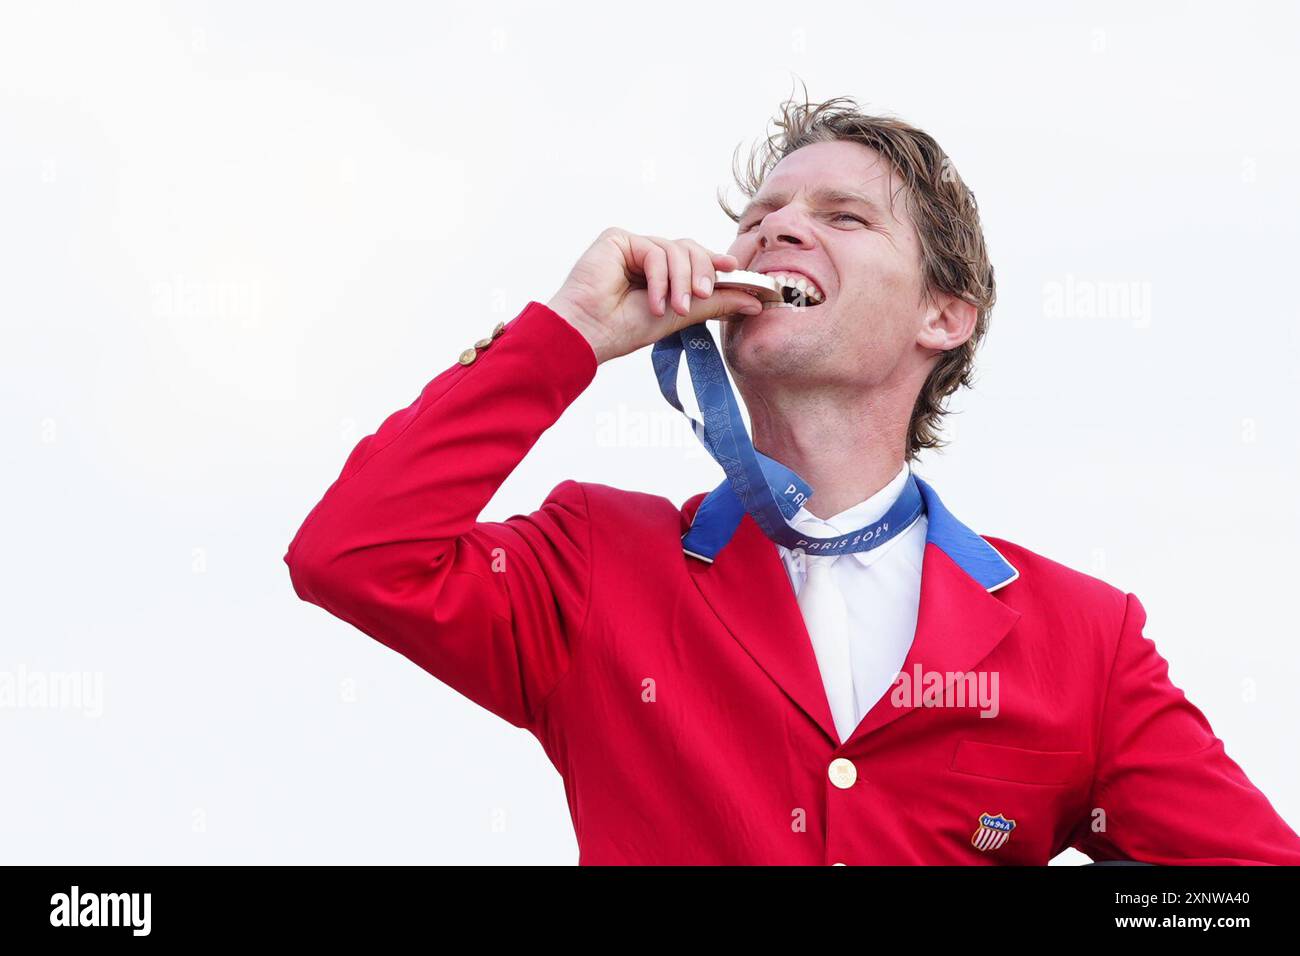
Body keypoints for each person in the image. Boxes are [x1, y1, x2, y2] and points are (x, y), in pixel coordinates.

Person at [284, 91, 1300, 865]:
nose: (773, 227)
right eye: (760, 214)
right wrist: (569, 333)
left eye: (843, 215)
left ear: (943, 316)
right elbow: (352, 554)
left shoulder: (1081, 639)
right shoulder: (597, 561)